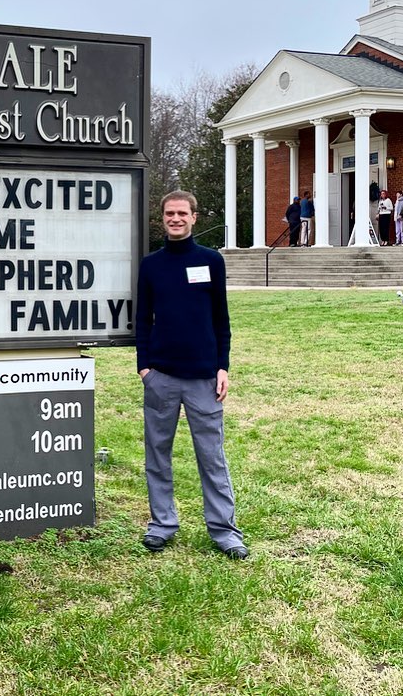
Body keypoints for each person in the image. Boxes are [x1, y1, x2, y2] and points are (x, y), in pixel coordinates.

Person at [135, 191, 248, 559]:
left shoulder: (211, 261)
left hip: (204, 378)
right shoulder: (151, 265)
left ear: (194, 217)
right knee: (157, 454)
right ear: (162, 218)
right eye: (170, 213)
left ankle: (224, 531)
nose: (176, 218)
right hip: (161, 377)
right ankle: (161, 525)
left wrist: (222, 366)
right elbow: (142, 319)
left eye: (182, 213)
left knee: (212, 457)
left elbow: (221, 318)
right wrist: (144, 367)